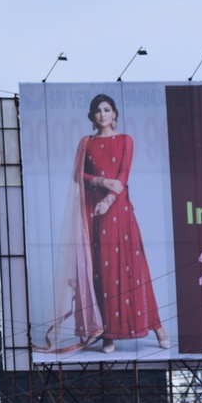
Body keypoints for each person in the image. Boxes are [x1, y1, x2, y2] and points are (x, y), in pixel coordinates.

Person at [55, 93, 169, 353]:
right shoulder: (87, 143)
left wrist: (108, 199)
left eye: (107, 109)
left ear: (115, 113)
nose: (103, 114)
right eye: (98, 110)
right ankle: (108, 334)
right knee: (103, 272)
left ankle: (157, 326)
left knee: (135, 271)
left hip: (120, 212)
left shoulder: (126, 140)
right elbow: (77, 174)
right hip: (96, 215)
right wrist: (101, 182)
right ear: (92, 116)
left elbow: (123, 175)